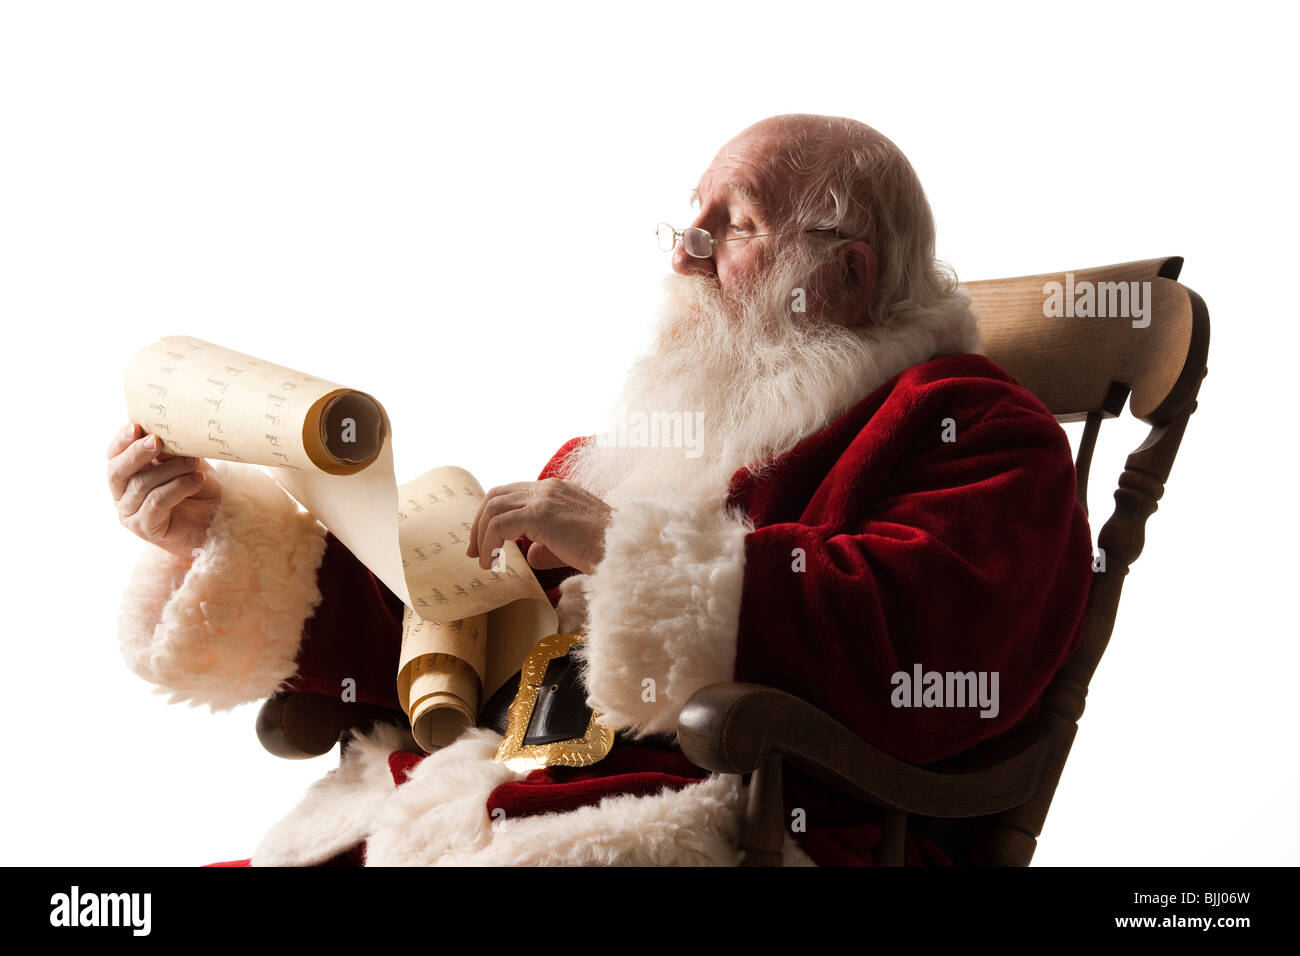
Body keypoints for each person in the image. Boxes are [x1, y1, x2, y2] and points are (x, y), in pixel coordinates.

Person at [109, 114, 1093, 866]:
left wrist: (636, 554)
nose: (682, 249)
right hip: (491, 801)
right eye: (689, 215)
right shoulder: (619, 455)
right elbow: (462, 638)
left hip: (721, 832)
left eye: (734, 224)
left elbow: (928, 638)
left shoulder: (972, 426)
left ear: (844, 276)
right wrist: (219, 533)